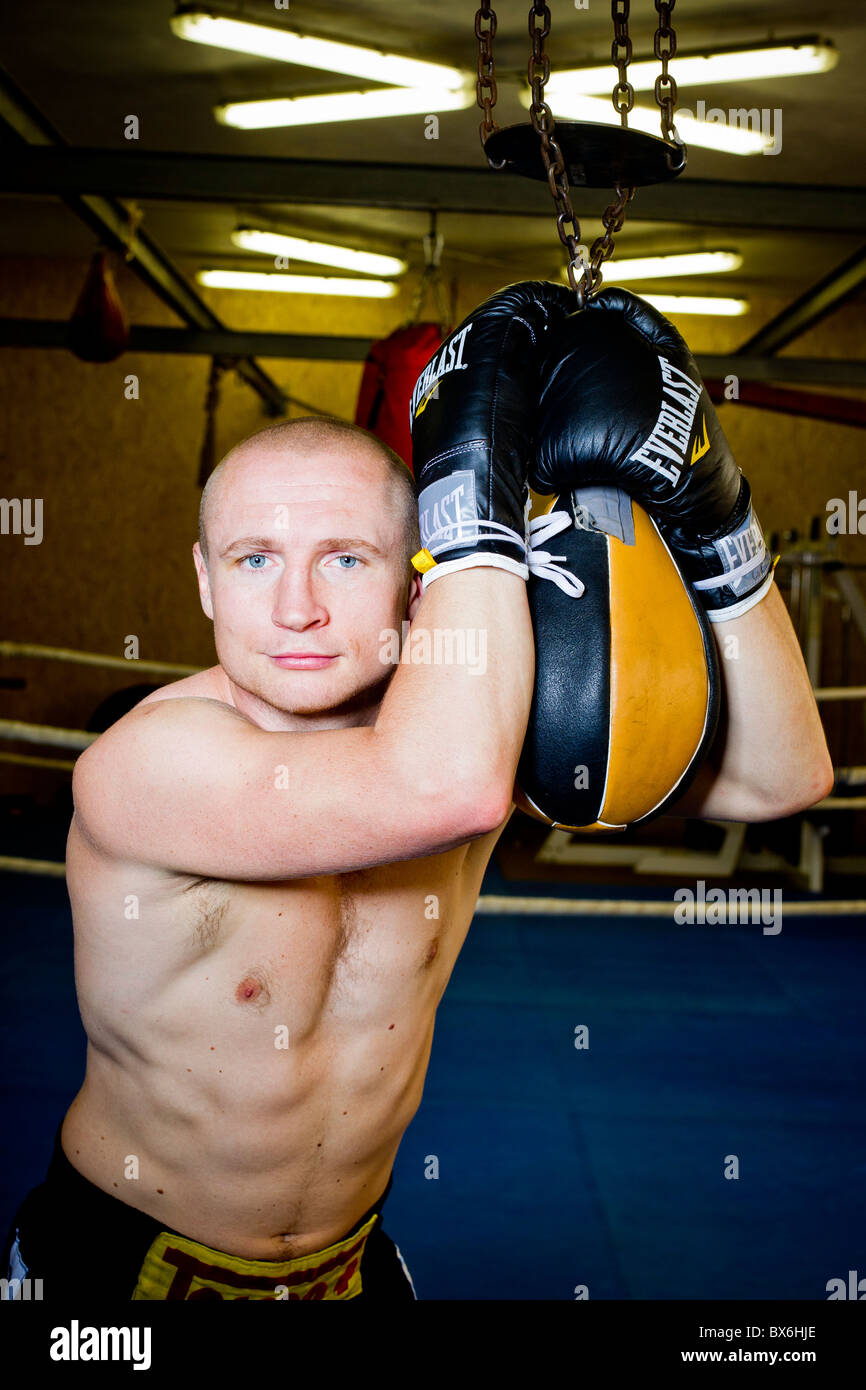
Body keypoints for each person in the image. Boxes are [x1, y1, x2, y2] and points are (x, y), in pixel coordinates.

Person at [2, 284, 833, 1301]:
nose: (296, 607)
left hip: (352, 1268)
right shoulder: (148, 765)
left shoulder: (463, 725)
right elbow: (441, 789)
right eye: (253, 559)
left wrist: (717, 522)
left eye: (344, 559)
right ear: (206, 581)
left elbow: (779, 775)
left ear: (414, 580)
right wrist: (468, 494)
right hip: (120, 1272)